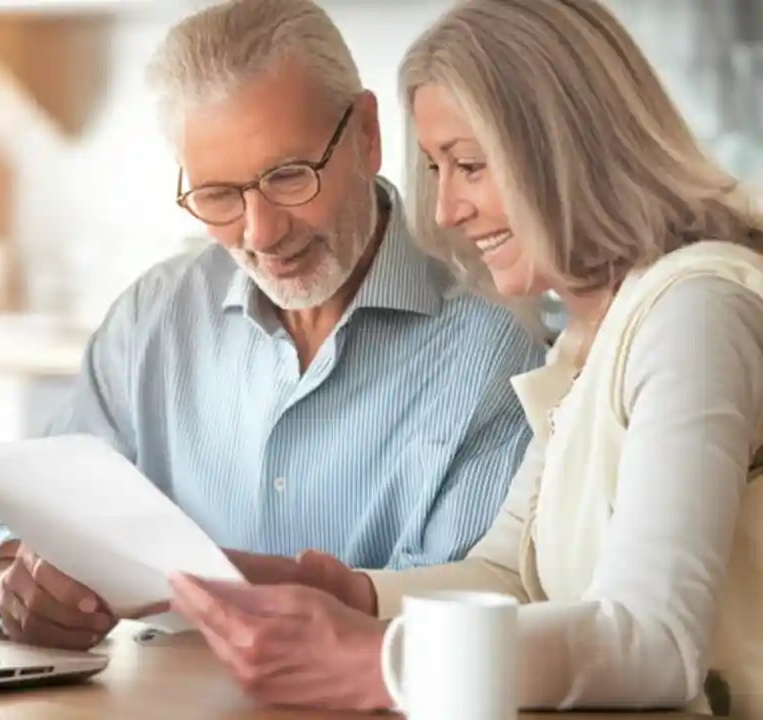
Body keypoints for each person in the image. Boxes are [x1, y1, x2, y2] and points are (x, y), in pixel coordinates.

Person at [168, 0, 763, 715]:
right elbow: (509, 574)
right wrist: (337, 592)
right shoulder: (595, 333)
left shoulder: (696, 308)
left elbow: (654, 641)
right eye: (434, 168)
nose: (446, 209)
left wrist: (379, 662)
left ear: (565, 145)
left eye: (469, 166)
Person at [0, 0, 546, 651]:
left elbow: (462, 620)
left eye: (290, 176)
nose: (262, 232)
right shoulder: (151, 320)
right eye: (218, 195)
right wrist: (12, 576)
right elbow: (23, 517)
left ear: (367, 136)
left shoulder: (496, 352)